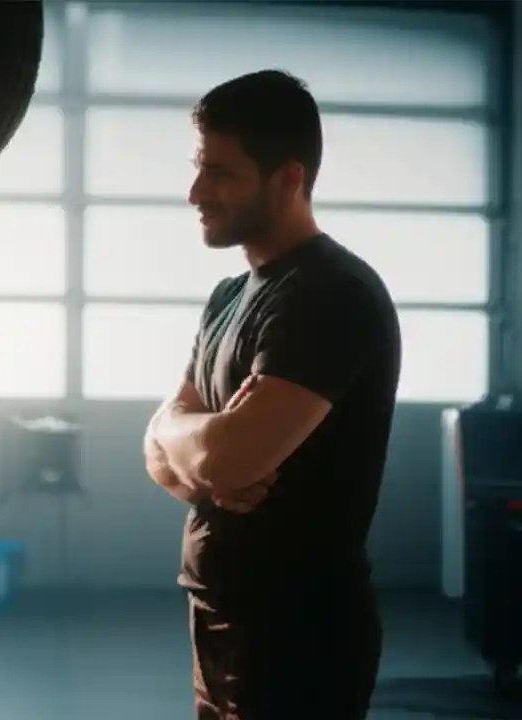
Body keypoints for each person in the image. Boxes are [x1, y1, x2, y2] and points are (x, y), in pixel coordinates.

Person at [141, 70, 402, 719]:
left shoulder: (328, 296)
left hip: (298, 636)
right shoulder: (229, 297)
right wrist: (192, 441)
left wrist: (195, 445)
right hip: (219, 615)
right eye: (199, 168)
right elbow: (158, 452)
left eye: (220, 173)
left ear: (289, 178)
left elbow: (219, 458)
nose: (195, 192)